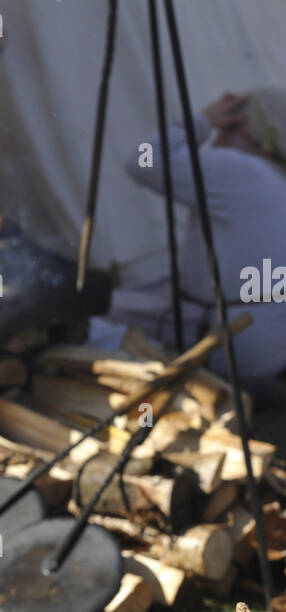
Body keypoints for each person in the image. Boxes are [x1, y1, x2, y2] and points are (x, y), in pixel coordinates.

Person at [120, 87, 286, 392]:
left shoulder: (240, 170)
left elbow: (142, 160)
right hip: (271, 347)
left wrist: (203, 120)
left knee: (108, 316)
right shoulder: (276, 178)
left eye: (227, 129)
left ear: (249, 132)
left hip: (232, 346)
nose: (215, 141)